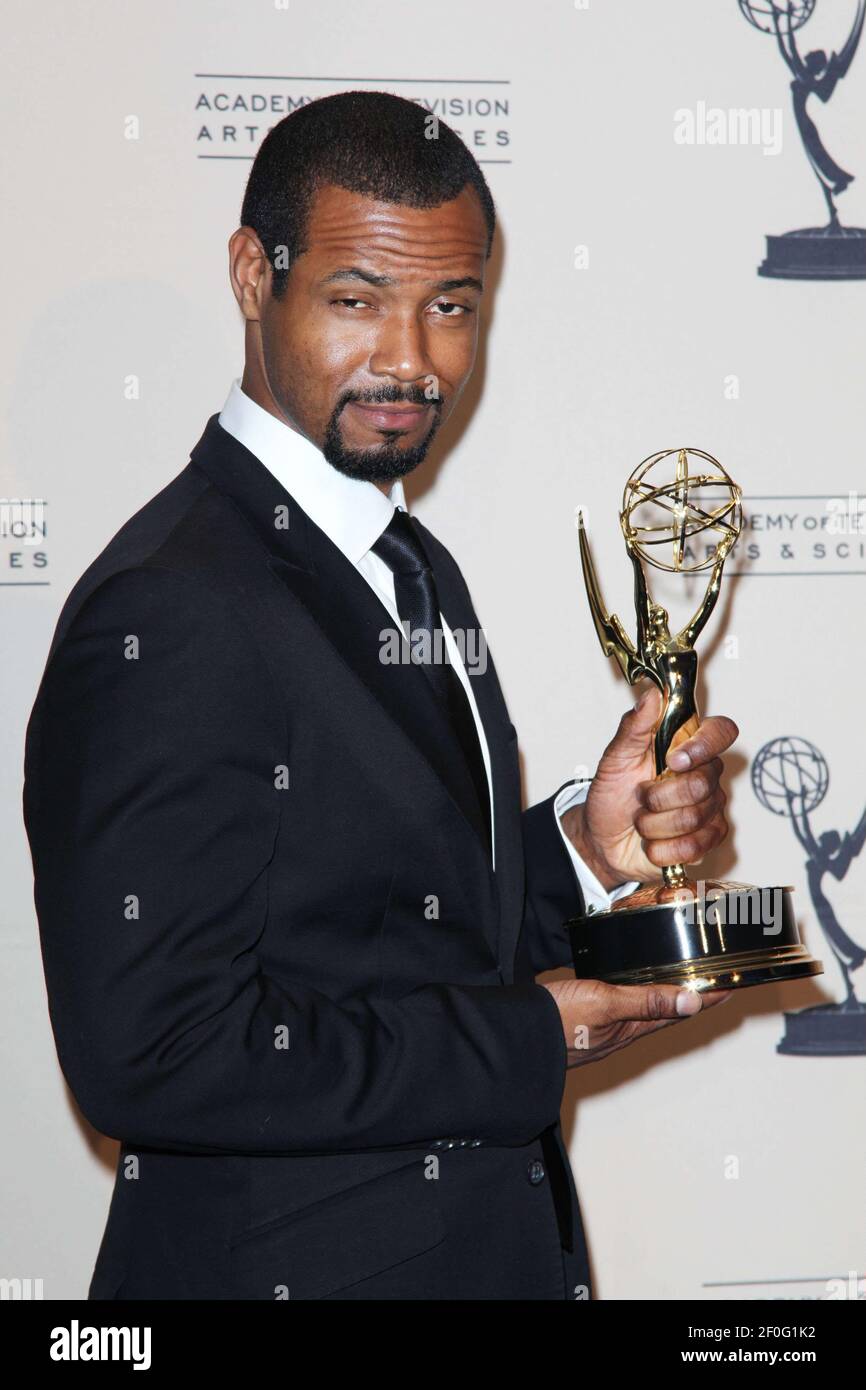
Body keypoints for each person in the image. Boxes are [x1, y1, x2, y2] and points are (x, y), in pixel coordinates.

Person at [23, 90, 736, 1301]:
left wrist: (576, 850)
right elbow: (154, 1054)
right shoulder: (173, 605)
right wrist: (530, 1034)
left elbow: (384, 935)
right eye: (356, 300)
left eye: (449, 307)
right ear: (255, 275)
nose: (410, 360)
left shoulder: (400, 556)